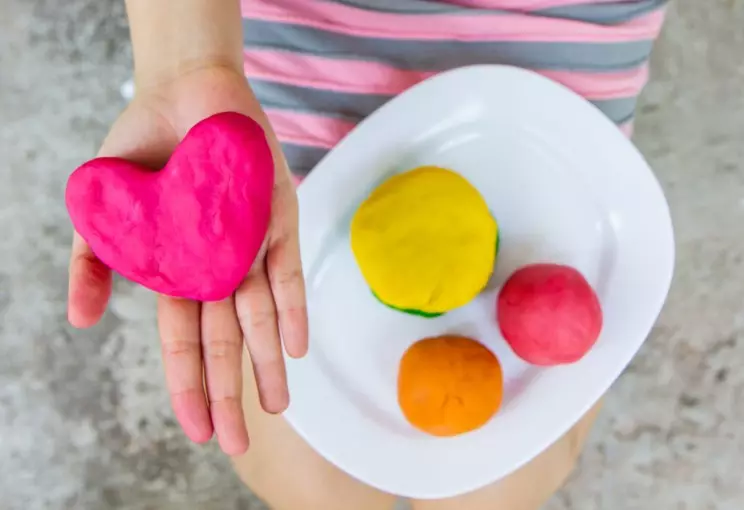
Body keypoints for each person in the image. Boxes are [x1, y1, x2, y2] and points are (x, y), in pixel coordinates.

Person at [67, 1, 667, 508]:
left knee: (503, 481)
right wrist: (186, 62)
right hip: (287, 44)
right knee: (311, 475)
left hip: (567, 38)